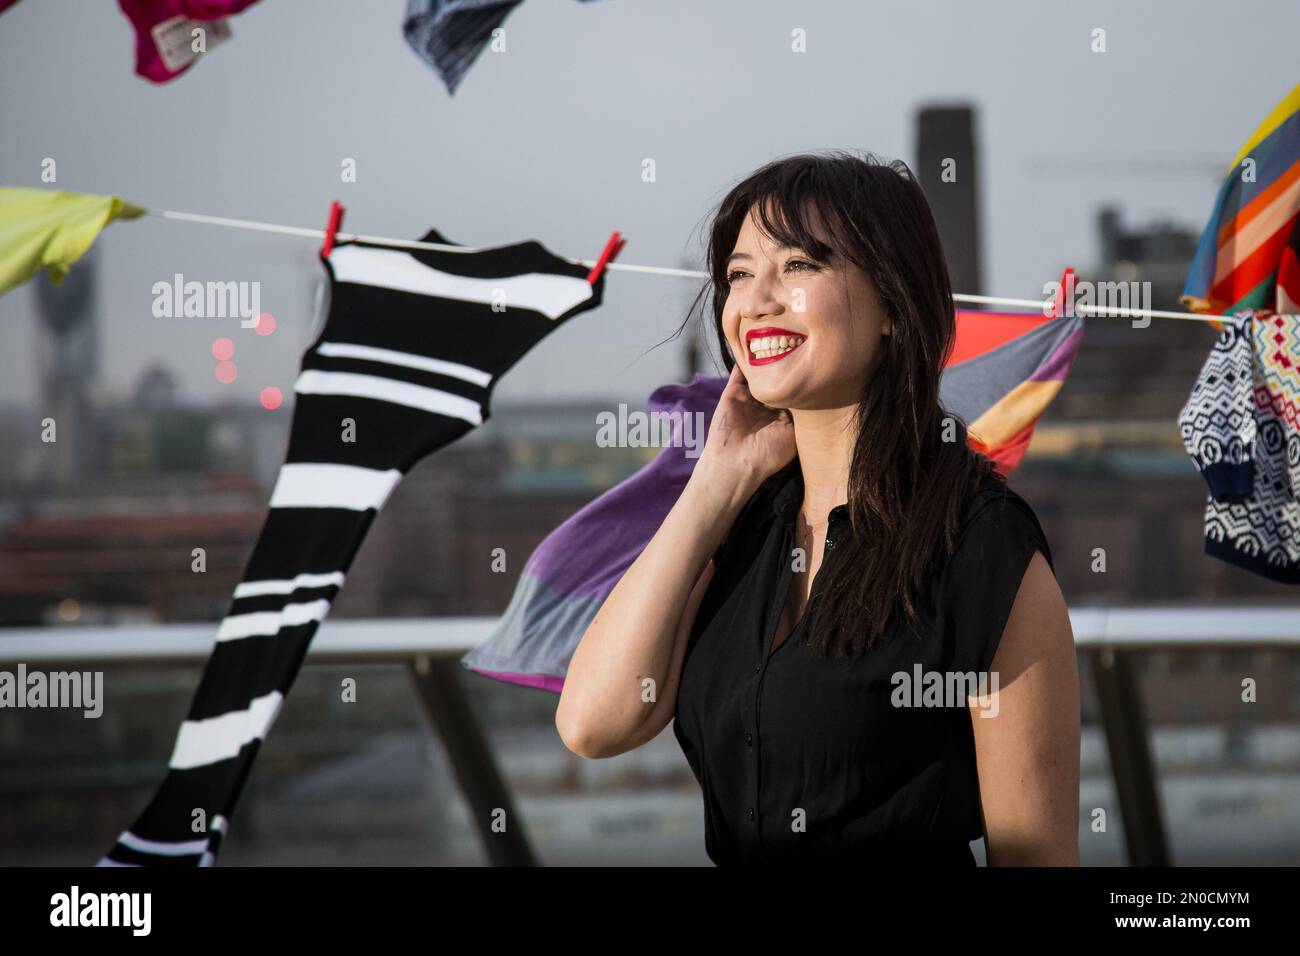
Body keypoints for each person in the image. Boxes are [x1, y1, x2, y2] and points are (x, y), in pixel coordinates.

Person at [556, 150, 1080, 866]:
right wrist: (715, 481)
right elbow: (594, 723)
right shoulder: (738, 523)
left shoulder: (979, 542)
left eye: (798, 266)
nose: (756, 301)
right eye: (740, 274)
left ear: (893, 303)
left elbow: (1037, 856)